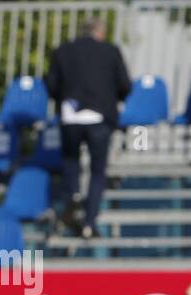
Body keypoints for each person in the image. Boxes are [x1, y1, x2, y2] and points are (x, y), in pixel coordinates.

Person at [45, 16, 132, 240]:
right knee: (98, 171)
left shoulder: (63, 51)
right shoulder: (110, 51)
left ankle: (73, 193)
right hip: (99, 117)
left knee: (71, 160)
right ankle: (89, 222)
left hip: (70, 116)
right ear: (100, 32)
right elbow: (125, 85)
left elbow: (51, 86)